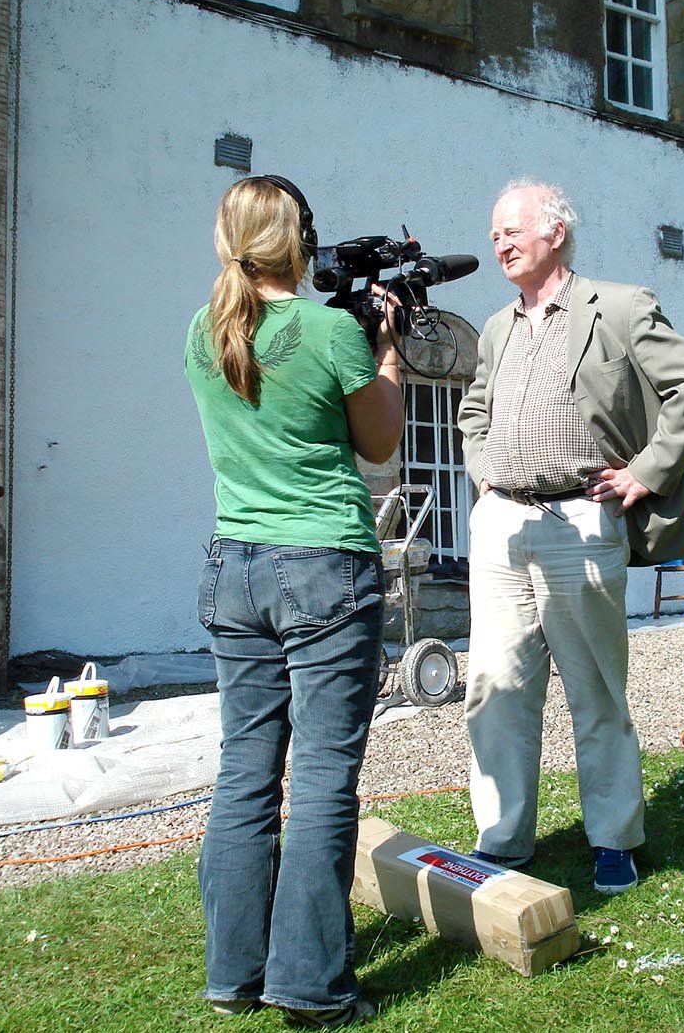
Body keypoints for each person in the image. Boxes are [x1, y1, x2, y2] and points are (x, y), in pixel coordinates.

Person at [457, 179, 684, 895]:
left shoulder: (622, 306)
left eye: (512, 230)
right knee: (495, 686)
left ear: (556, 233)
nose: (500, 243)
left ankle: (613, 838)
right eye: (494, 234)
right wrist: (483, 472)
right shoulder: (495, 327)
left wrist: (648, 470)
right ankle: (503, 839)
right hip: (502, 524)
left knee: (595, 689)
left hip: (581, 520)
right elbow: (473, 409)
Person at [184, 175, 403, 1027]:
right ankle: (310, 983)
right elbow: (380, 441)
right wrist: (386, 346)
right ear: (299, 240)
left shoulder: (204, 331)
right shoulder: (327, 330)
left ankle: (234, 969)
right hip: (321, 566)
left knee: (244, 770)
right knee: (319, 778)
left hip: (232, 567)